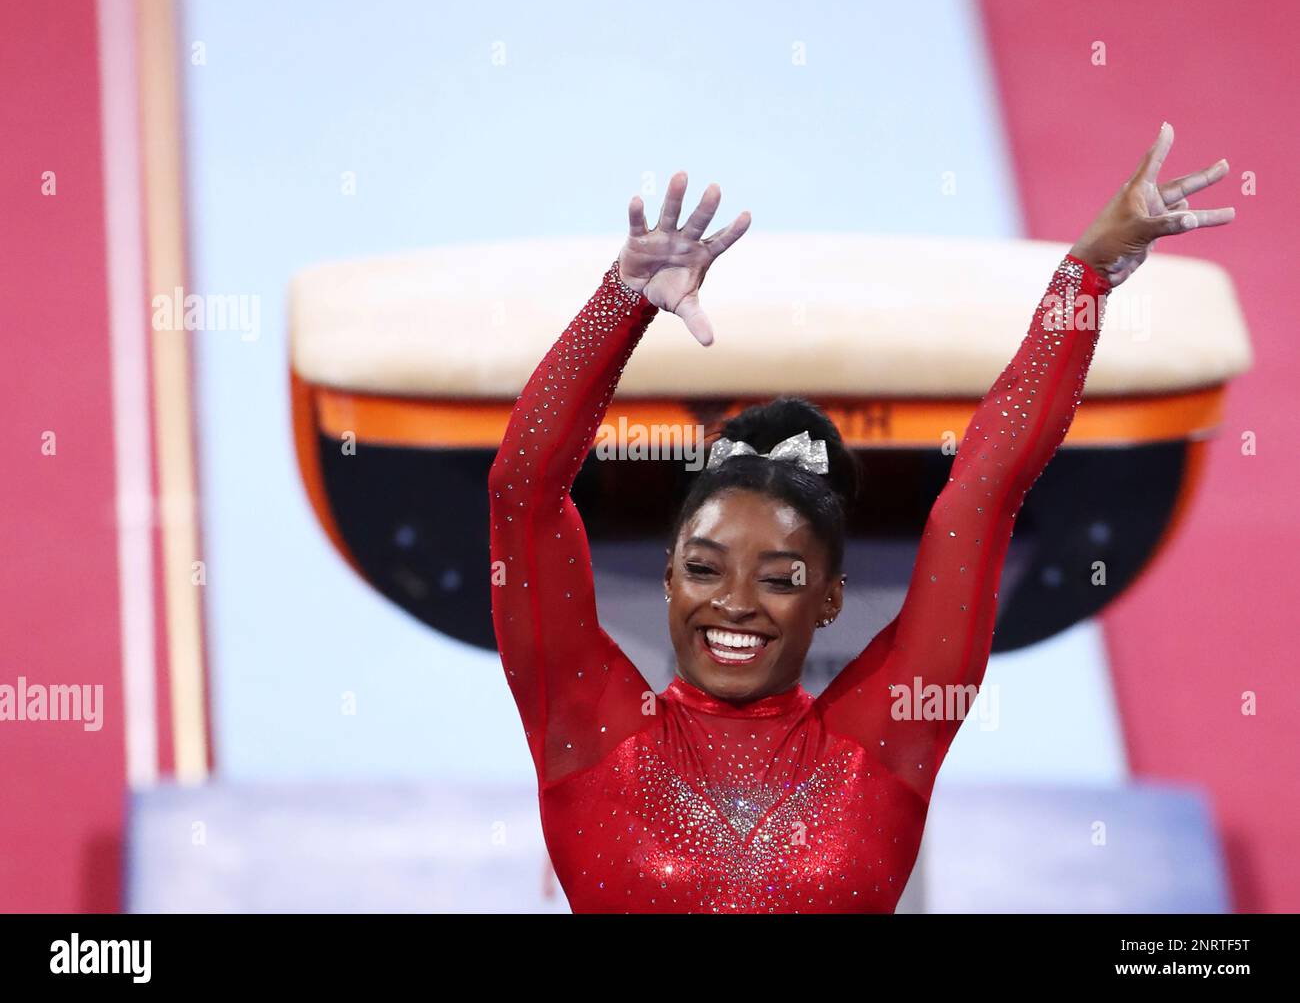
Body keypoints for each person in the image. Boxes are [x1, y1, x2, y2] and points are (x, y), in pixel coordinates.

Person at [487, 122, 1234, 913]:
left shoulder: (884, 739)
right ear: (668, 576)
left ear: (831, 599)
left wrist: (1086, 277)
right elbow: (522, 492)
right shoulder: (587, 724)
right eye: (704, 568)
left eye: (779, 578)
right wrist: (623, 298)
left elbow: (983, 494)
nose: (735, 602)